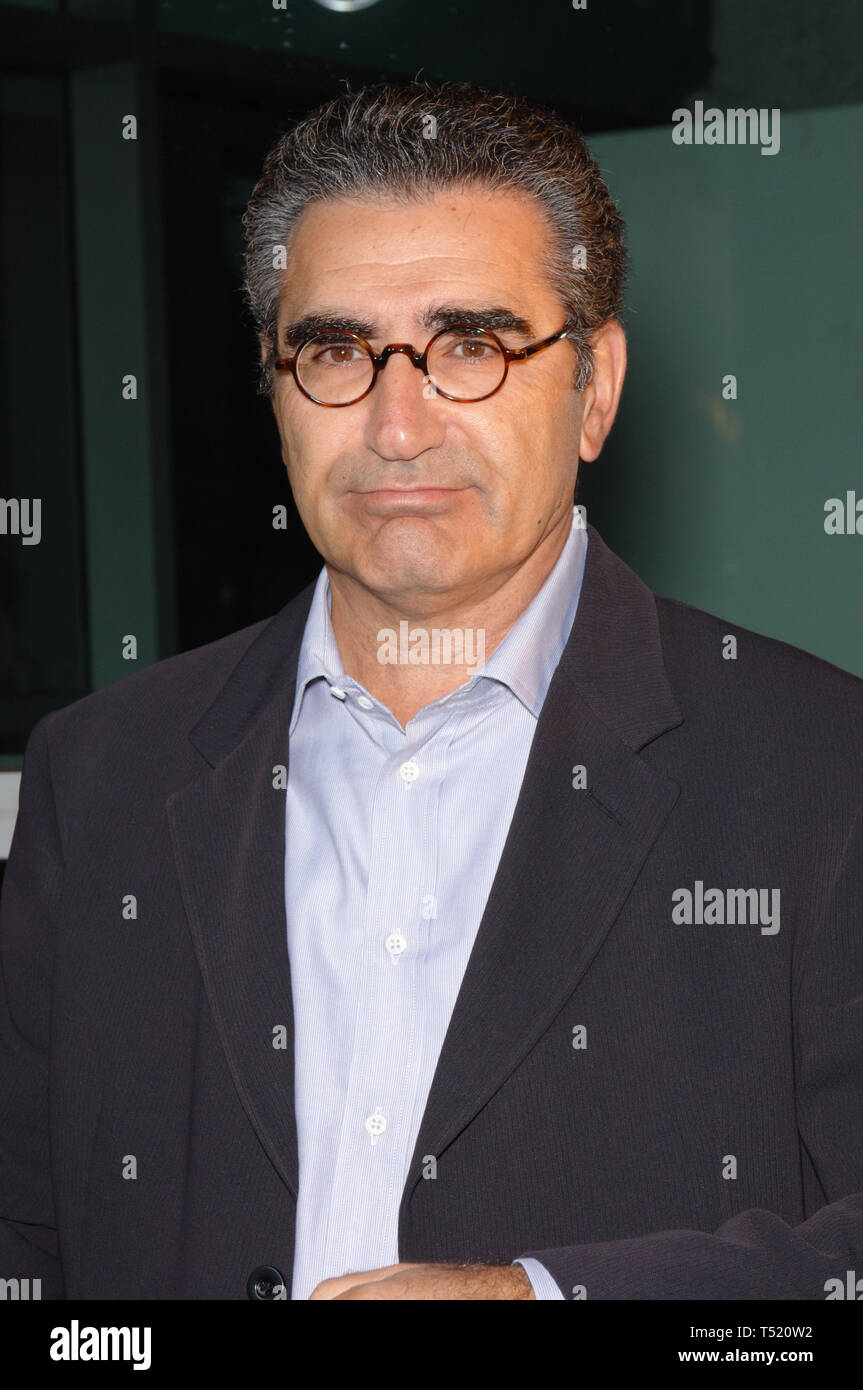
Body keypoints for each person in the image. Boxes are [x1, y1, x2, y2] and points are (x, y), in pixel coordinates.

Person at [1, 79, 861, 1302]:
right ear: (276, 387)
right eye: (337, 350)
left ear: (594, 387)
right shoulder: (100, 777)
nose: (397, 425)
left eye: (470, 346)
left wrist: (548, 1299)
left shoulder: (821, 771)